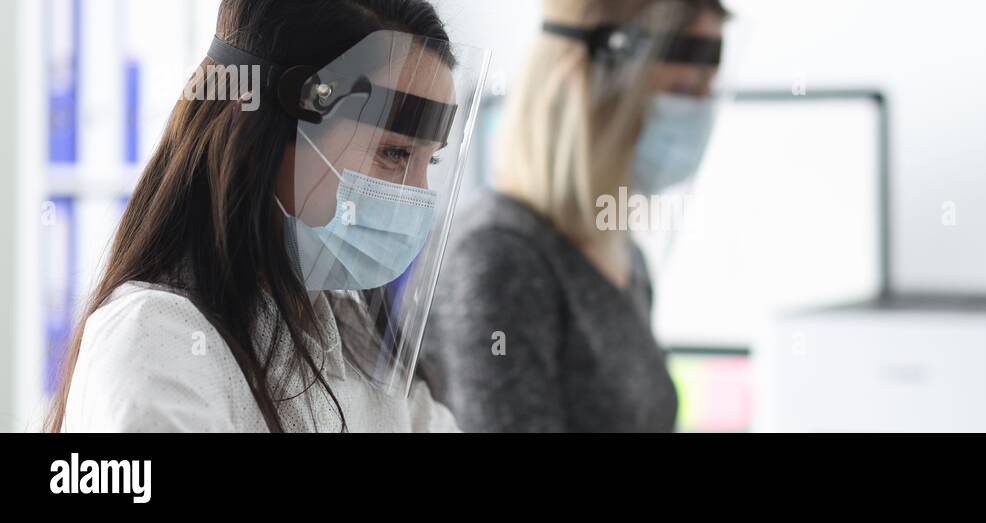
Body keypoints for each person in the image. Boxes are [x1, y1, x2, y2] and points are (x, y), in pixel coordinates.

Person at [46, 0, 490, 432]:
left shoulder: (350, 335)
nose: (417, 196)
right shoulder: (157, 342)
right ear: (266, 136)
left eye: (429, 163)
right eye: (393, 153)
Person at [426, 0, 728, 432]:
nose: (702, 114)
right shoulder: (498, 257)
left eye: (708, 91)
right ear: (589, 85)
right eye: (683, 91)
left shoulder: (622, 254)